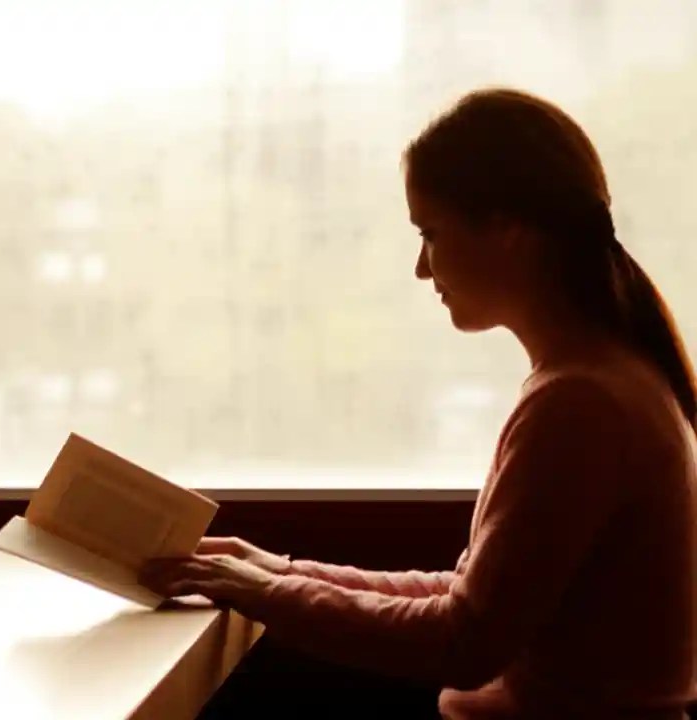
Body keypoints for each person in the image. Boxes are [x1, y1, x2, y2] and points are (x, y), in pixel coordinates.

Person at [140, 87, 697, 719]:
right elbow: (469, 599)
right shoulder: (605, 380)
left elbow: (464, 640)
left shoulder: (581, 405)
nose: (421, 269)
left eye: (430, 232)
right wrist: (280, 572)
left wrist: (267, 592)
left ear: (508, 228)